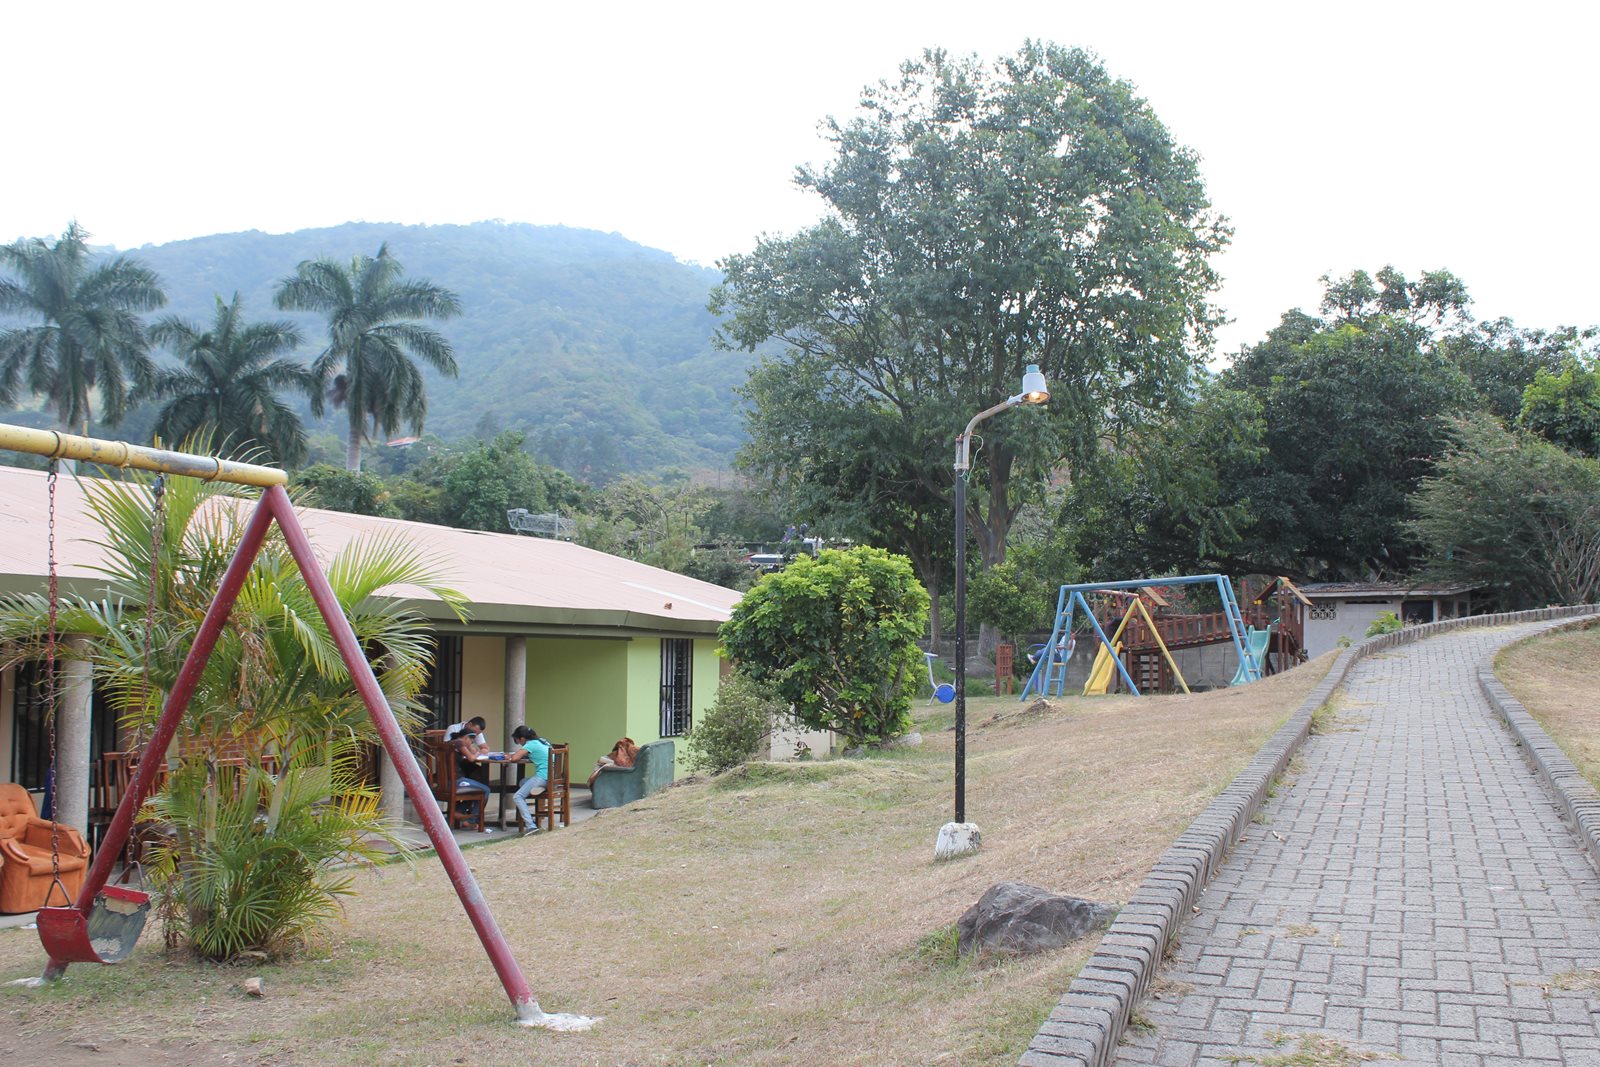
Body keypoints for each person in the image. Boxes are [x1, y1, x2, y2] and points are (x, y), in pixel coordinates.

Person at [506, 725, 552, 837]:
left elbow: (515, 758)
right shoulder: (543, 741)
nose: (519, 744)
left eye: (517, 741)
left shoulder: (530, 744)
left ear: (522, 738)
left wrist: (509, 756)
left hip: (542, 777)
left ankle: (531, 826)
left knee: (518, 796)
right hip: (552, 778)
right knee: (522, 782)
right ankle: (537, 788)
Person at [449, 718, 493, 829]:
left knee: (477, 788)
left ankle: (458, 812)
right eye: (471, 741)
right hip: (457, 780)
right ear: (465, 738)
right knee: (485, 790)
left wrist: (472, 749)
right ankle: (470, 820)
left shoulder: (452, 742)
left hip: (451, 779)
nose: (472, 743)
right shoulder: (459, 743)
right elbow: (471, 758)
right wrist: (477, 752)